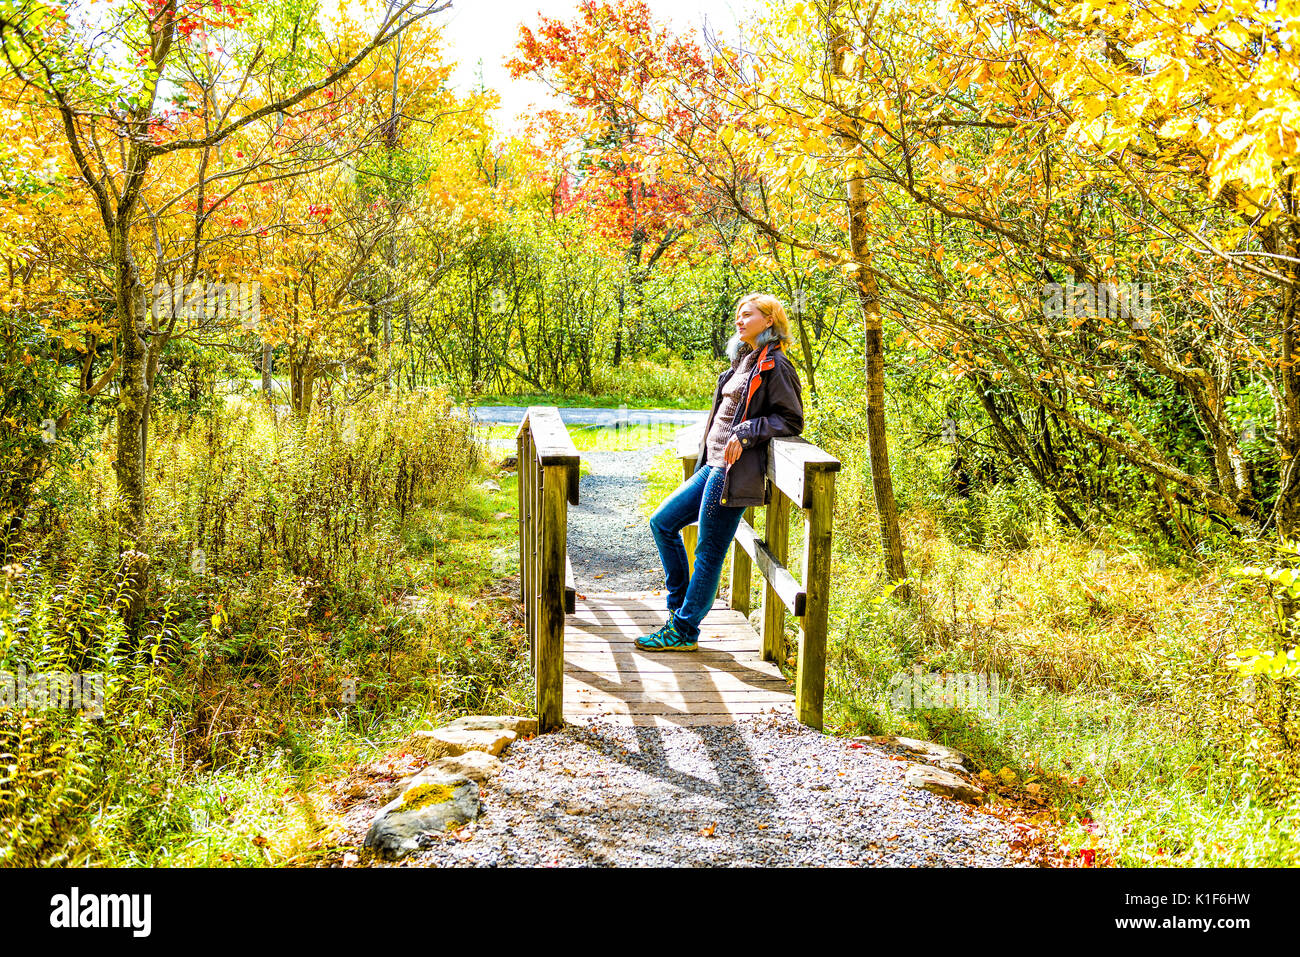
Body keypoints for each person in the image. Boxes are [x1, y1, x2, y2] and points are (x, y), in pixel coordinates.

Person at [637, 293, 805, 652]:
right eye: (738, 316)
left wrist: (746, 434)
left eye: (748, 315)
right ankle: (680, 607)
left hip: (732, 471)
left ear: (770, 321)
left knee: (709, 551)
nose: (739, 321)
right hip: (711, 464)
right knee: (662, 522)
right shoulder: (745, 360)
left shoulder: (776, 365)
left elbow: (791, 419)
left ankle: (683, 630)